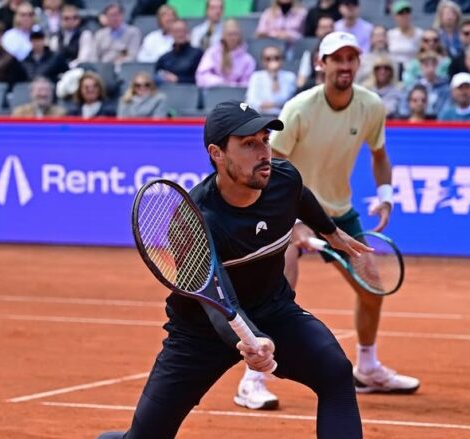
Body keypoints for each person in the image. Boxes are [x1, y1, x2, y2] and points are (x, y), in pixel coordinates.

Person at [96, 100, 368, 438]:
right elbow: (215, 299)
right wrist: (250, 339)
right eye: (249, 144)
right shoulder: (194, 221)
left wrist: (330, 231)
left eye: (265, 140)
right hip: (200, 332)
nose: (264, 153)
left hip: (273, 310)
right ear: (217, 153)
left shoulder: (283, 178)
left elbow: (300, 196)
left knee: (335, 373)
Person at [233, 31, 421, 411]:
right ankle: (252, 380)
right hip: (285, 210)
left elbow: (380, 155)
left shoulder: (370, 106)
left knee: (372, 289)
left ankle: (367, 367)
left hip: (338, 211)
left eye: (351, 58)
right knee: (277, 293)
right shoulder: (299, 108)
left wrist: (386, 197)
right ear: (322, 64)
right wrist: (293, 219)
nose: (345, 66)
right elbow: (272, 164)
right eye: (337, 59)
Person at [195, 18, 255, 88]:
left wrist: (231, 86)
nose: (232, 38)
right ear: (223, 35)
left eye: (235, 34)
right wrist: (221, 83)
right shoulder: (212, 53)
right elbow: (201, 76)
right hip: (214, 91)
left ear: (239, 35)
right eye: (229, 34)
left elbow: (247, 84)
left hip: (237, 94)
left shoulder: (248, 60)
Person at [246, 45, 297, 115]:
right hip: (259, 116)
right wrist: (274, 105)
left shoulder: (290, 76)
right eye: (268, 58)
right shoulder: (256, 76)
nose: (272, 61)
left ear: (281, 60)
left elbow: (284, 100)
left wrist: (275, 76)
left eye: (276, 58)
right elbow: (251, 101)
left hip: (281, 116)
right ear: (262, 61)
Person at [156, 19, 204, 84]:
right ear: (171, 33)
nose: (180, 34)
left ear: (188, 32)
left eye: (183, 31)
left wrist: (178, 79)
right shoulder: (164, 58)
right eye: (176, 31)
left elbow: (202, 78)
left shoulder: (198, 54)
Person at [387, 0, 423, 68]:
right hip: (394, 69)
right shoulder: (390, 34)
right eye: (401, 13)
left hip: (413, 69)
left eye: (407, 12)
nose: (404, 16)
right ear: (394, 16)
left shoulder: (419, 33)